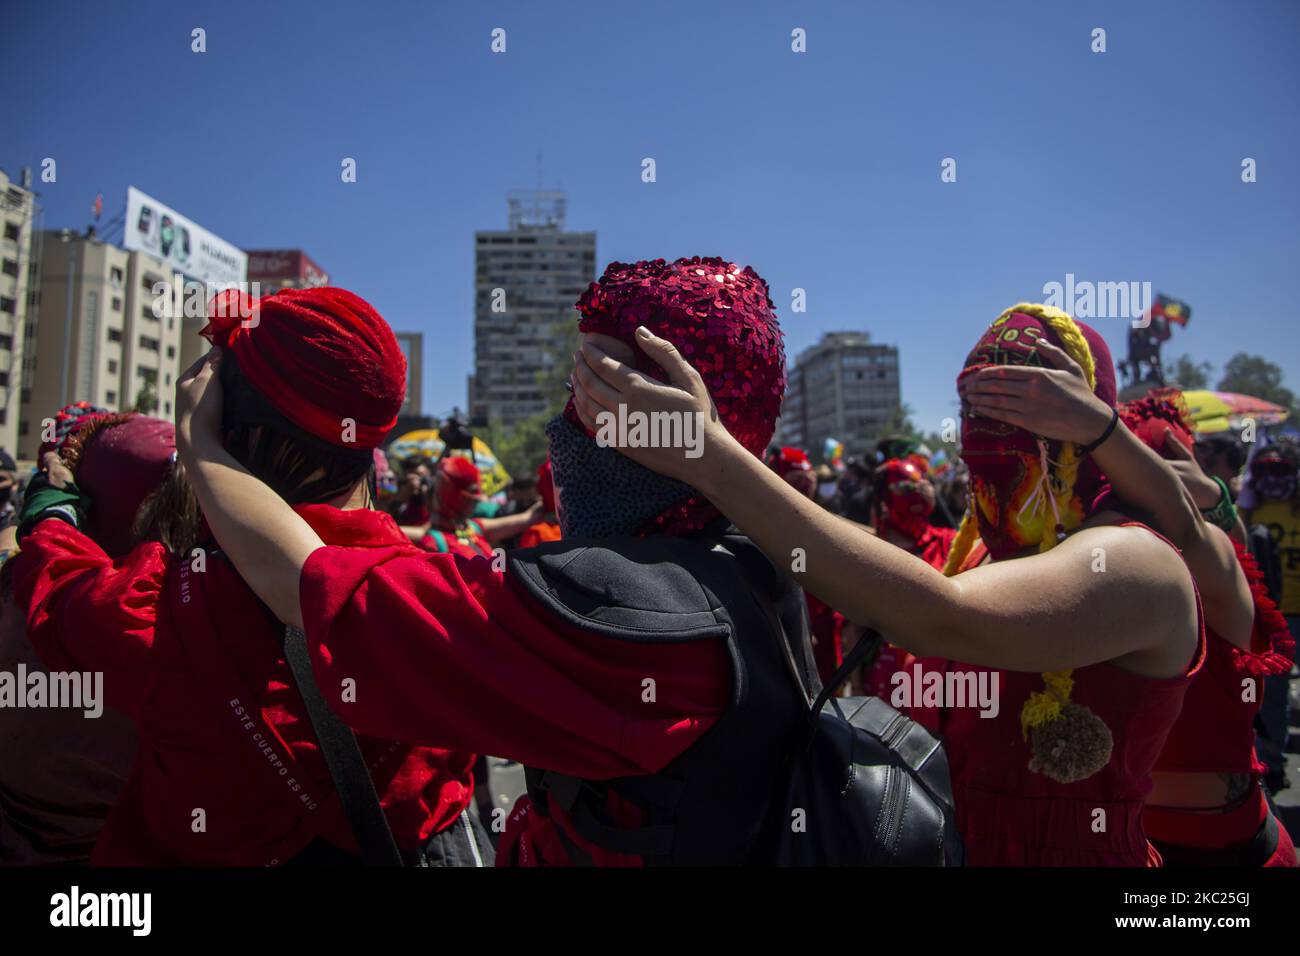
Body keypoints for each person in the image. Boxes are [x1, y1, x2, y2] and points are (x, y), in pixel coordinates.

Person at [175, 257, 815, 866]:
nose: (566, 426)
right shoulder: (751, 556)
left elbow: (311, 585)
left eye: (597, 398)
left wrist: (199, 443)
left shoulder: (610, 604)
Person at [572, 302, 1205, 866]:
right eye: (974, 403)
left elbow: (941, 613)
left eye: (1021, 398)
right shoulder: (979, 553)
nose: (985, 424)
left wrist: (711, 458)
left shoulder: (1136, 563)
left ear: (1087, 413)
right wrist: (729, 454)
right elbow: (867, 562)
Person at [11, 287, 490, 866]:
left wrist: (53, 514)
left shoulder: (162, 608)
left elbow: (62, 600)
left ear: (228, 424)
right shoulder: (443, 591)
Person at [1109, 393, 1296, 866]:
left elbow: (1213, 548)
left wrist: (1214, 501)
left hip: (1236, 842)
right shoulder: (1091, 558)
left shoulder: (1215, 551)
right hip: (1136, 841)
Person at [1245, 436, 1300, 792]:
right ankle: (1274, 762)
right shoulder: (1250, 513)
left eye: (1282, 470)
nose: (1274, 478)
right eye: (1265, 470)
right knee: (1275, 696)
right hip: (1273, 617)